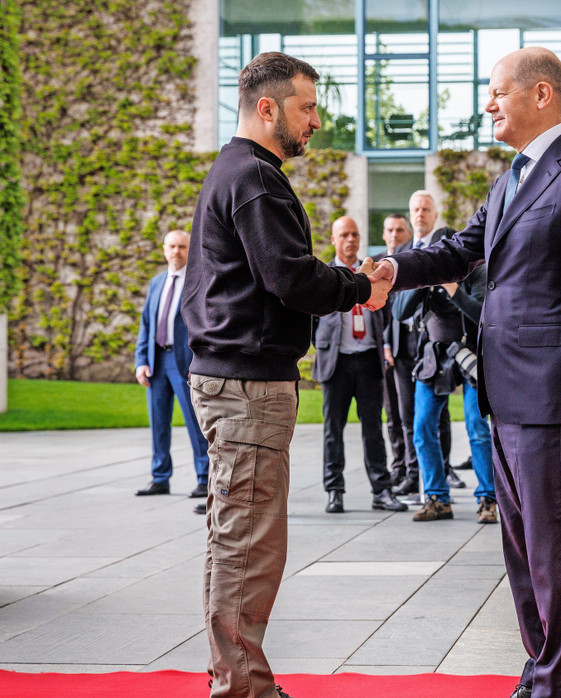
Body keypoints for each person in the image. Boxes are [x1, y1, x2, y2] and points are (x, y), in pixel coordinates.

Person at [369, 47, 561, 698]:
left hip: (550, 392)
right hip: (502, 387)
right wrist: (395, 270)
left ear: (541, 95)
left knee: (550, 543)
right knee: (519, 547)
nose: (487, 104)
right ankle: (540, 670)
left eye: (496, 92)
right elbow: (461, 248)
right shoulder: (511, 177)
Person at [181, 51, 388, 698]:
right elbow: (290, 277)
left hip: (228, 379)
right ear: (266, 108)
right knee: (249, 544)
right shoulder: (256, 179)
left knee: (232, 537)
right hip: (245, 388)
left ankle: (233, 676)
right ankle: (243, 690)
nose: (316, 121)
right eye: (306, 107)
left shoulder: (234, 172)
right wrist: (361, 287)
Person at [391, 191, 492, 522]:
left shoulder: (477, 272)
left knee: (477, 429)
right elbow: (400, 312)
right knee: (422, 427)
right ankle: (436, 497)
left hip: (471, 354)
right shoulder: (425, 272)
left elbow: (481, 315)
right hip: (433, 353)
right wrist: (424, 279)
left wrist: (453, 288)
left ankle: (488, 499)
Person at [312, 216, 406, 514]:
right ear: (334, 239)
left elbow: (388, 313)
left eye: (355, 234)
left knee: (373, 428)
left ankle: (381, 489)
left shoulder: (373, 272)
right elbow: (312, 317)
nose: (351, 240)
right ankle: (335, 491)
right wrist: (325, 346)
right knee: (333, 429)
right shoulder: (323, 274)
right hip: (336, 362)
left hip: (368, 360)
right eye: (344, 235)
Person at [133, 229, 211, 498]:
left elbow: (204, 325)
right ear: (164, 249)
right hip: (156, 362)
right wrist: (141, 361)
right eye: (172, 246)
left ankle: (204, 478)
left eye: (182, 246)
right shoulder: (156, 283)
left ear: (190, 250)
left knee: (195, 422)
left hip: (185, 363)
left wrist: (199, 359)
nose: (176, 251)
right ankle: (160, 477)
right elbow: (146, 324)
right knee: (158, 423)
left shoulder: (198, 282)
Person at [380, 213, 414, 485]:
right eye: (390, 229)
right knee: (394, 414)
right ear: (383, 234)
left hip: (414, 347)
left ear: (408, 234)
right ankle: (399, 467)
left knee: (416, 415)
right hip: (389, 349)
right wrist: (385, 345)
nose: (394, 234)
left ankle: (420, 469)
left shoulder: (413, 263)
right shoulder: (377, 264)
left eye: (399, 230)